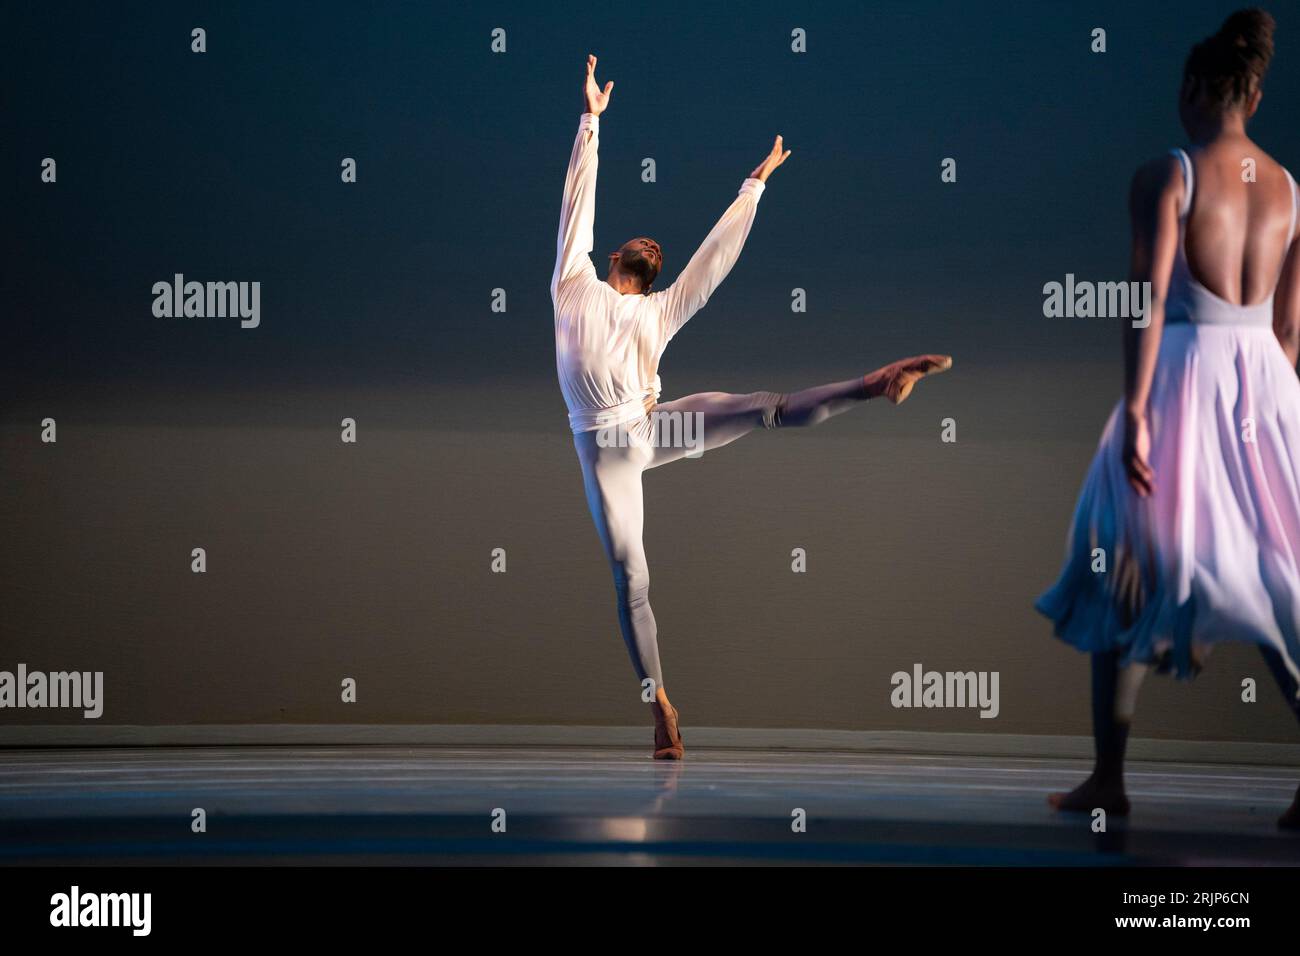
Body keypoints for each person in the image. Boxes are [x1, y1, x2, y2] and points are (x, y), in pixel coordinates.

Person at [553, 54, 951, 759]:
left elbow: (711, 261)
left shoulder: (664, 310)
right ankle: (662, 710)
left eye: (658, 251)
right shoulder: (573, 284)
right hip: (606, 455)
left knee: (765, 407)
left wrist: (753, 185)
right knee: (632, 581)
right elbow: (577, 202)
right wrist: (591, 120)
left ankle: (874, 383)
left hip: (650, 428)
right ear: (615, 257)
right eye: (643, 243)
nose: (656, 246)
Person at [1036, 9, 1300, 827]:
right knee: (1272, 582)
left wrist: (1141, 412)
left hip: (1182, 379)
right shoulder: (1291, 189)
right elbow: (1290, 332)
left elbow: (1146, 301)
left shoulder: (1171, 173)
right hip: (1265, 389)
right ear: (1254, 95)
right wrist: (1262, 409)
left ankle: (1108, 776)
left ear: (1193, 89)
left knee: (1126, 562)